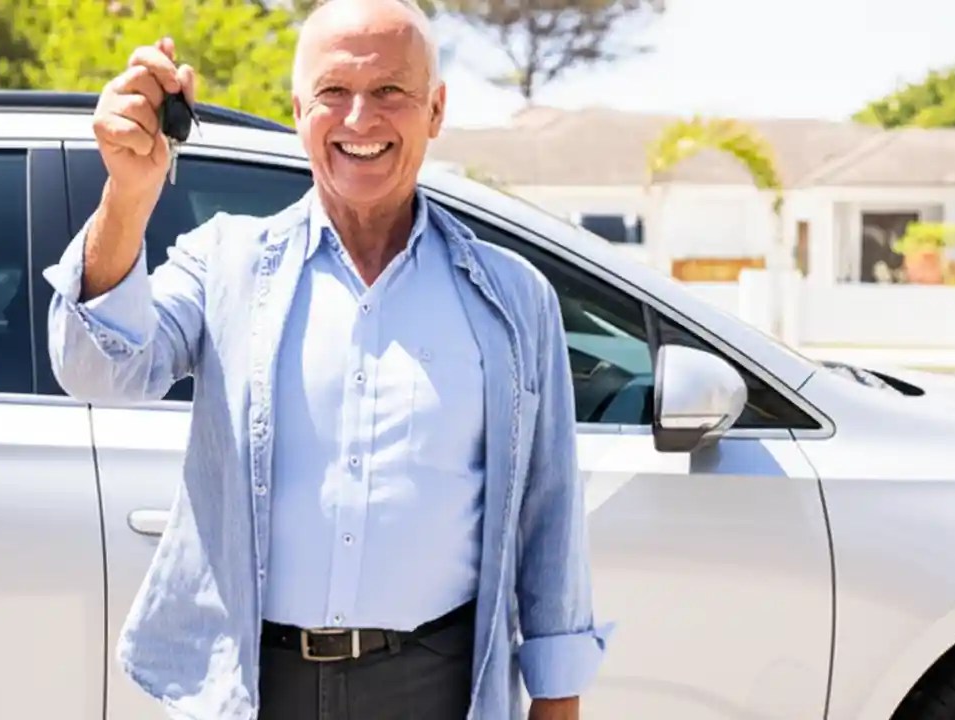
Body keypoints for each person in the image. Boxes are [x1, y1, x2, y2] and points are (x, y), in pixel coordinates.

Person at [42, 0, 610, 717]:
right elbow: (96, 370)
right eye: (333, 92)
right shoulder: (226, 263)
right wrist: (128, 196)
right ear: (297, 111)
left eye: (389, 91)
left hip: (435, 687)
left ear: (436, 110)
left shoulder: (512, 298)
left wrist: (557, 698)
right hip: (252, 687)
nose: (359, 119)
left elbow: (549, 511)